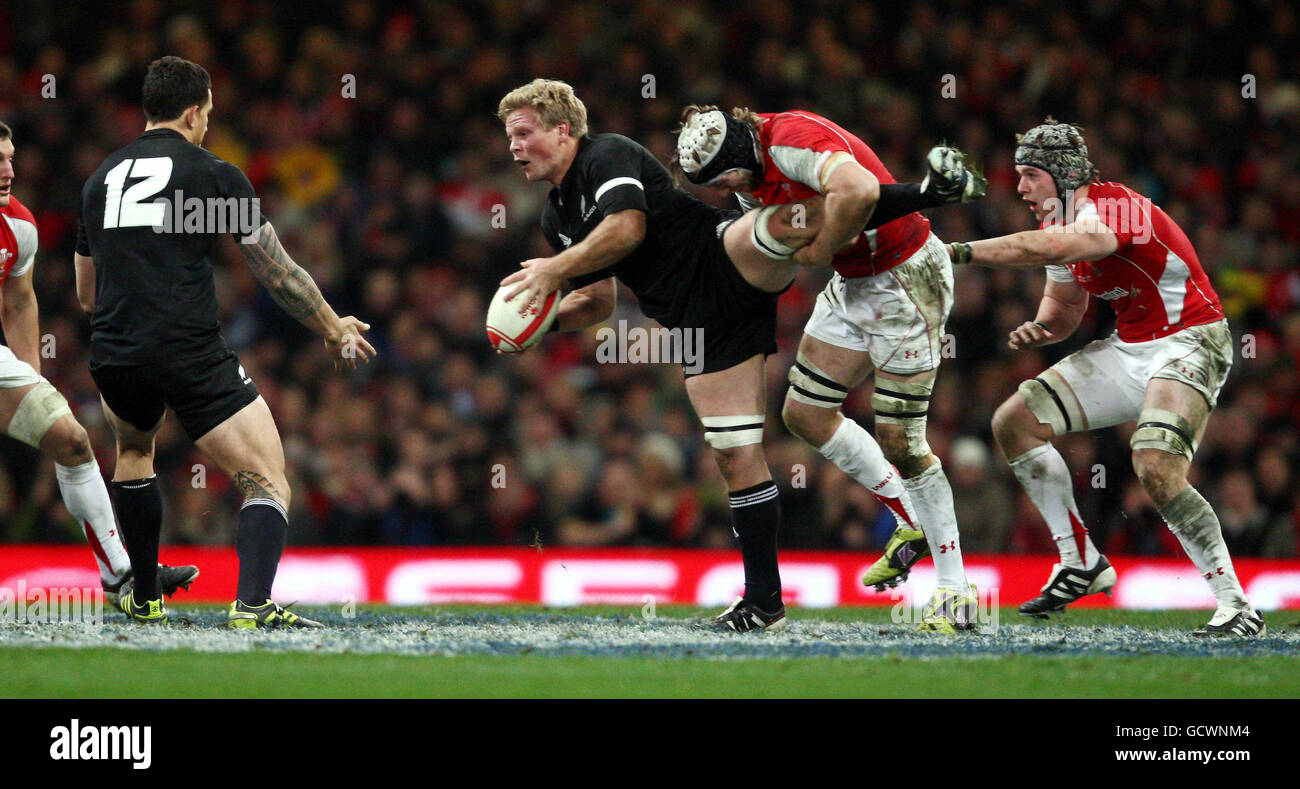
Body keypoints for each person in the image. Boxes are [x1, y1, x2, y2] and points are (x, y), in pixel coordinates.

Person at [498, 79, 972, 631]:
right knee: (734, 454)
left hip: (720, 257)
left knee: (792, 220)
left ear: (562, 131)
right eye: (510, 136)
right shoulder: (557, 219)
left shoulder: (608, 154)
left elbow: (627, 228)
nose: (513, 146)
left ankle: (925, 192)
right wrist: (540, 325)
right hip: (698, 324)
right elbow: (598, 301)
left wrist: (553, 270)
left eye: (522, 133)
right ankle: (765, 603)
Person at [74, 56, 375, 628]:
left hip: (115, 353)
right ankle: (253, 604)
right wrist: (333, 325)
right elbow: (276, 270)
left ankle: (144, 595)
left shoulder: (97, 182)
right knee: (265, 477)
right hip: (187, 350)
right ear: (193, 112)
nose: (208, 124)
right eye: (207, 114)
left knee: (135, 454)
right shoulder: (213, 174)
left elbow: (87, 295)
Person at [949, 117, 1263, 636]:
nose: (1021, 187)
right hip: (1131, 347)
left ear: (1064, 176)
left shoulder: (1114, 209)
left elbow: (1040, 250)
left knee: (1155, 465)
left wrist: (958, 251)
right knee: (1014, 422)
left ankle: (1235, 604)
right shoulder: (1061, 230)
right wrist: (1040, 331)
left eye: (1031, 174)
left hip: (1191, 340)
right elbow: (1064, 312)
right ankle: (1081, 562)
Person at [675, 106, 985, 631]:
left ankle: (957, 593)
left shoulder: (791, 138)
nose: (722, 187)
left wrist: (819, 248)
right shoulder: (750, 174)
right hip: (856, 281)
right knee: (804, 414)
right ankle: (910, 519)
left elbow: (860, 193)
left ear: (733, 155)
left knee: (902, 441)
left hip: (905, 277)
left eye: (721, 176)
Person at [0, 120, 198, 608]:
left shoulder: (19, 226)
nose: (8, 171)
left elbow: (19, 303)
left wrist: (32, 383)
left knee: (69, 438)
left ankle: (121, 577)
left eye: (10, 157)